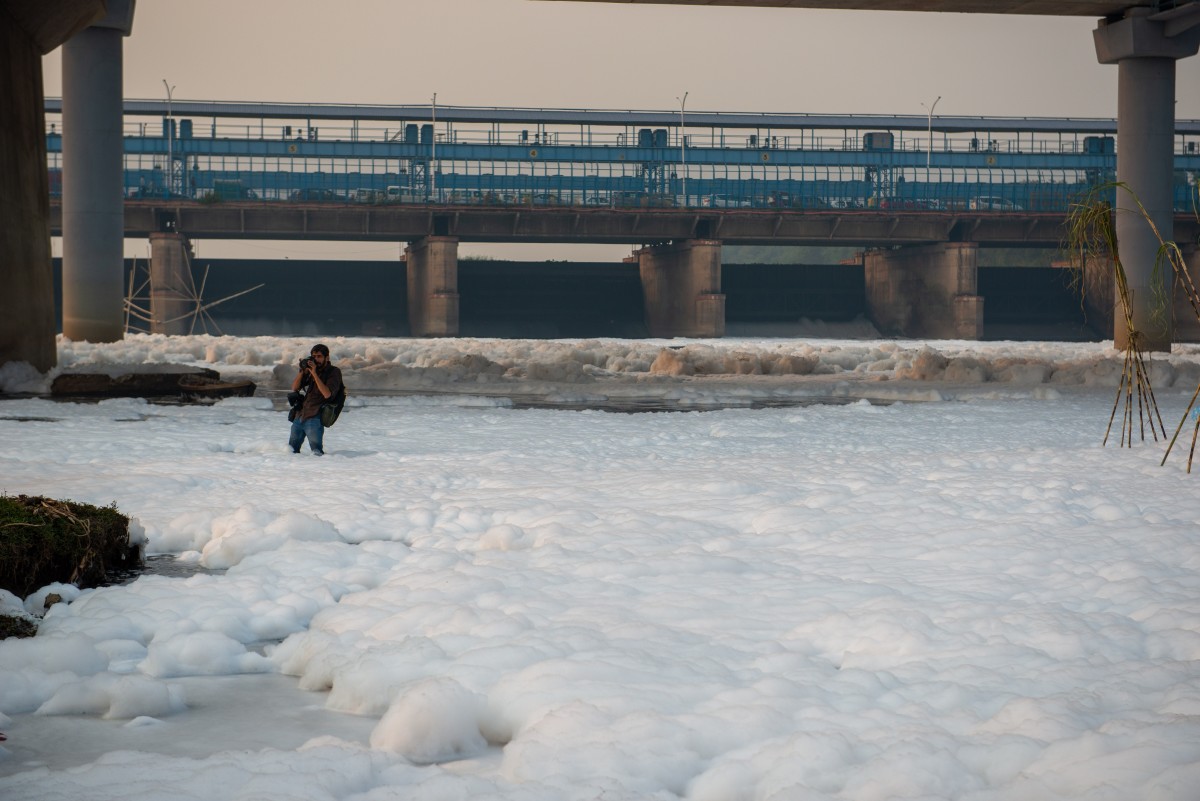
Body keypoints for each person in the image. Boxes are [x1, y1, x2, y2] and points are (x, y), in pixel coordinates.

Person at [288, 343, 343, 456]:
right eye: (314, 356)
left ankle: (318, 472)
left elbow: (327, 394)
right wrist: (302, 371)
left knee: (316, 453)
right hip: (300, 415)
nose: (316, 359)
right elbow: (294, 388)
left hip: (315, 416)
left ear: (326, 358)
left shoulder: (334, 372)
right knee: (291, 451)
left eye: (319, 356)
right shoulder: (311, 370)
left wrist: (314, 373)